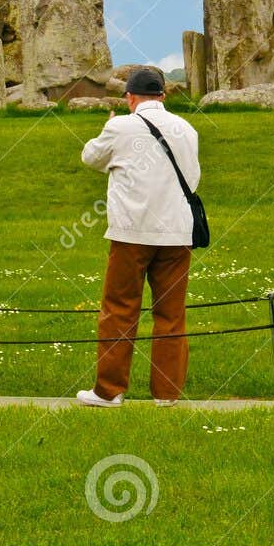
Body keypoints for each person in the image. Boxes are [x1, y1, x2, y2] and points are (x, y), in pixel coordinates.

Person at [74, 67, 200, 408]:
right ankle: (167, 393)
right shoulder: (187, 129)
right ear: (162, 96)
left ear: (130, 97)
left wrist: (110, 128)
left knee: (119, 309)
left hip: (132, 231)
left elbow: (90, 157)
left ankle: (109, 390)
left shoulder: (120, 126)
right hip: (176, 232)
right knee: (171, 313)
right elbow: (193, 178)